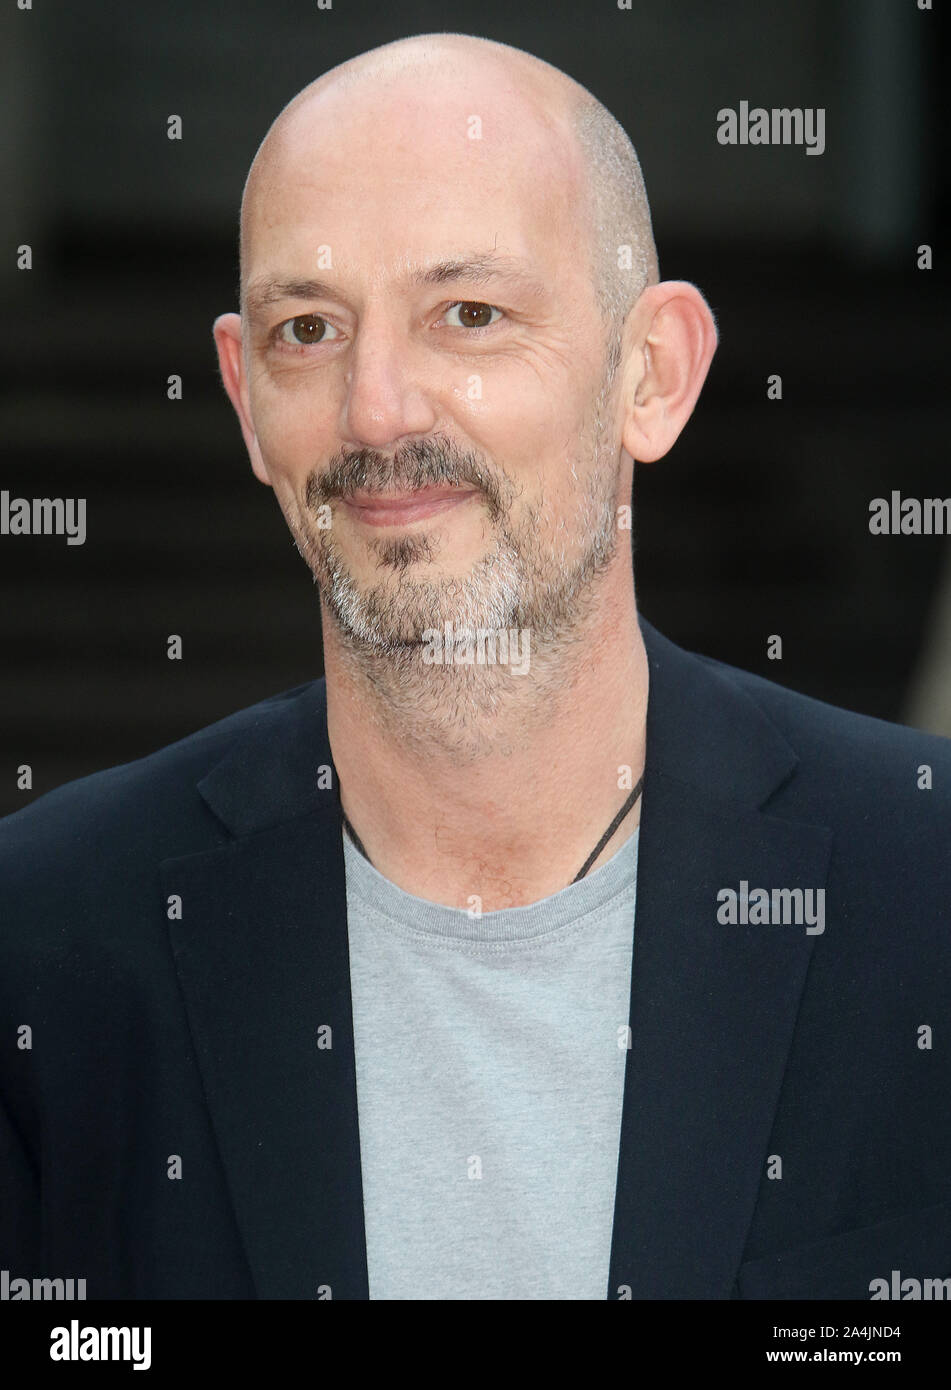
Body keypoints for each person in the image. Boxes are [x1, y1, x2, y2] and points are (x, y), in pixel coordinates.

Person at [1, 32, 949, 1302]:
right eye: (308, 329)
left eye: (471, 314)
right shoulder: (45, 939)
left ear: (651, 375)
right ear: (243, 401)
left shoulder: (924, 891)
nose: (379, 408)